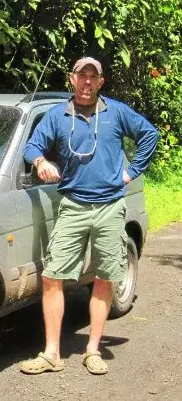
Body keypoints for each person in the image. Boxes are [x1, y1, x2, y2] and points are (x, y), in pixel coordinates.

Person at [20, 57, 158, 375]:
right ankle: (52, 353)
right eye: (81, 75)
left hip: (110, 207)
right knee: (52, 276)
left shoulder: (116, 112)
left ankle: (93, 349)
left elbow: (149, 134)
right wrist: (40, 161)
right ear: (72, 79)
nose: (86, 82)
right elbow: (31, 146)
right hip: (73, 206)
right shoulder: (57, 115)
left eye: (92, 77)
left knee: (105, 276)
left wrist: (132, 170)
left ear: (100, 81)